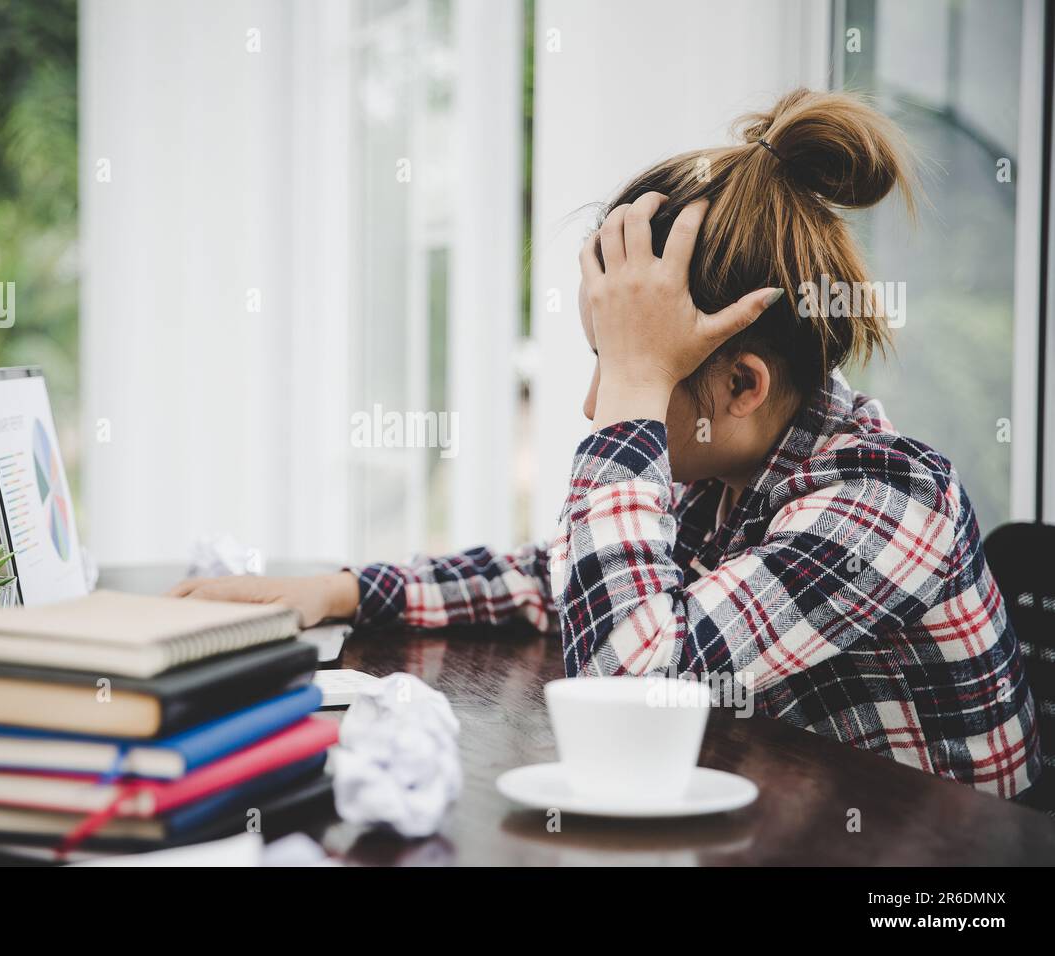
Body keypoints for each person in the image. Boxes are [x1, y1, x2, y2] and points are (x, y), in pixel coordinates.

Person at [172, 89, 1040, 799]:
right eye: (607, 369)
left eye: (626, 372)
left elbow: (631, 691)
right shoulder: (733, 474)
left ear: (742, 386)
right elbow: (562, 581)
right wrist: (335, 590)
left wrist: (631, 407)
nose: (597, 401)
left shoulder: (889, 502)